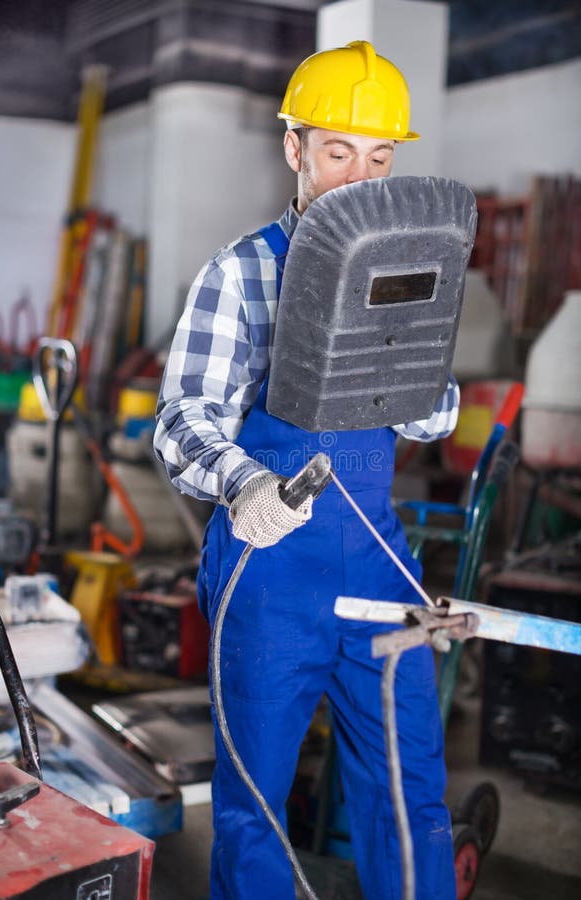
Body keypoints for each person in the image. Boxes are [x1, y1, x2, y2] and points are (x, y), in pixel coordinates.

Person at [154, 40, 458, 900]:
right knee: (254, 806)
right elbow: (182, 420)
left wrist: (405, 358)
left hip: (377, 565)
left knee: (413, 797)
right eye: (337, 152)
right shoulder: (241, 271)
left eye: (379, 156)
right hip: (269, 568)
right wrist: (244, 484)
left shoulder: (404, 268)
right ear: (295, 148)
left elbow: (436, 414)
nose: (359, 179)